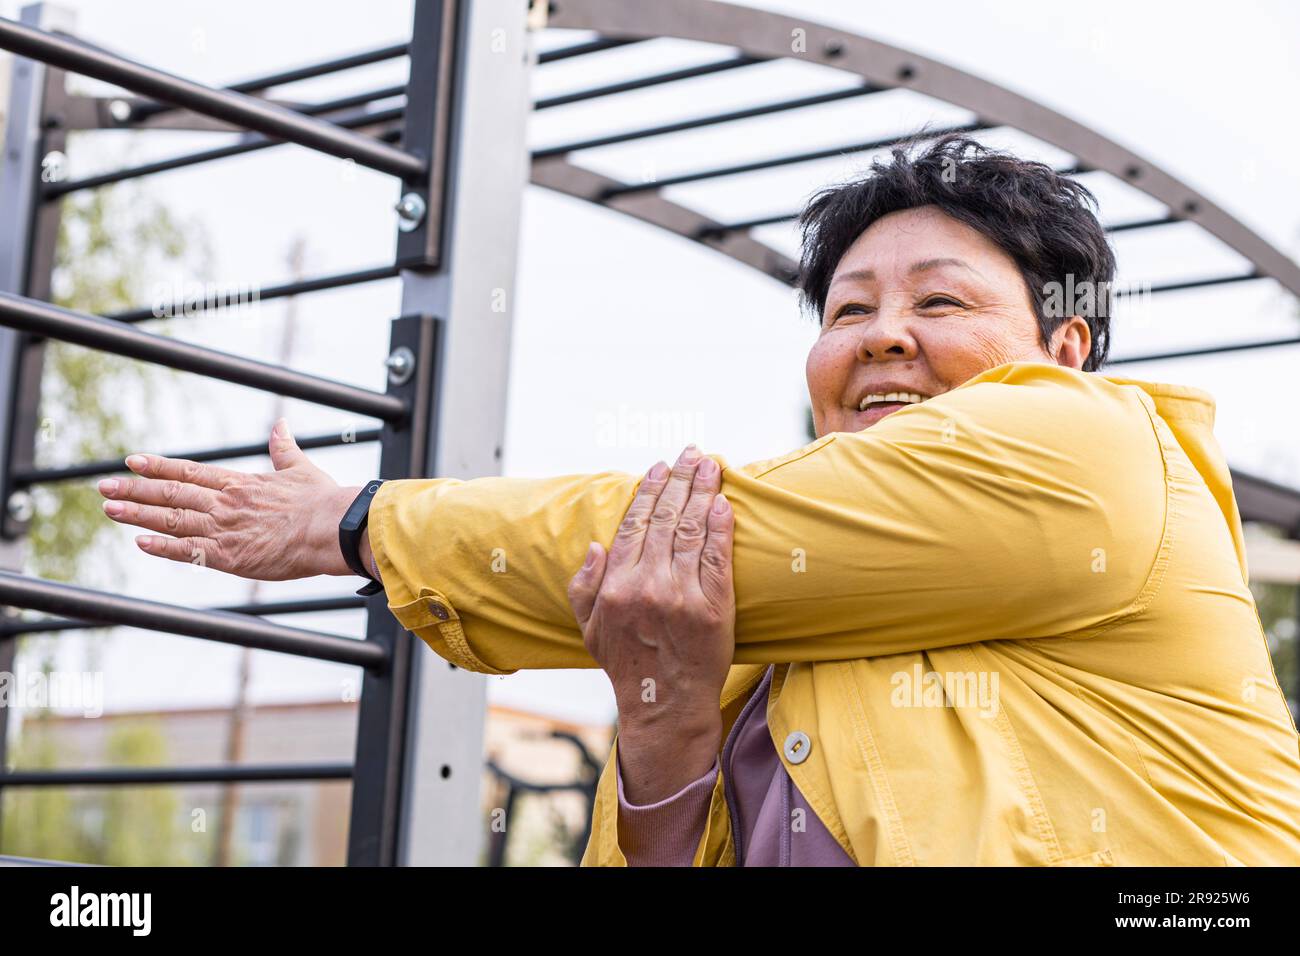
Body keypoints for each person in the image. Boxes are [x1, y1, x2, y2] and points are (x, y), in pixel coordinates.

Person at [97, 137, 1300, 865]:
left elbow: (711, 528)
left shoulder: (1091, 441)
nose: (883, 336)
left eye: (939, 304)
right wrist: (665, 727)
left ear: (1066, 342)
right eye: (846, 311)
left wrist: (355, 521)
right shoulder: (780, 637)